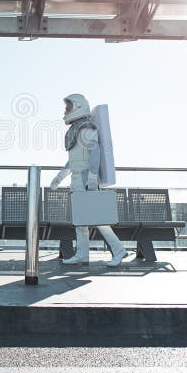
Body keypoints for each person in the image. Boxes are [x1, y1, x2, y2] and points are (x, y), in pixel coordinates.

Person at [50, 93, 128, 266]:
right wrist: (59, 177)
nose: (65, 110)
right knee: (81, 220)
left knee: (98, 219)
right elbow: (74, 160)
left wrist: (92, 177)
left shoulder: (86, 128)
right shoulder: (77, 128)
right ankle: (82, 254)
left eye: (68, 106)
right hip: (77, 180)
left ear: (78, 106)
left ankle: (119, 250)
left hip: (86, 180)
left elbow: (95, 152)